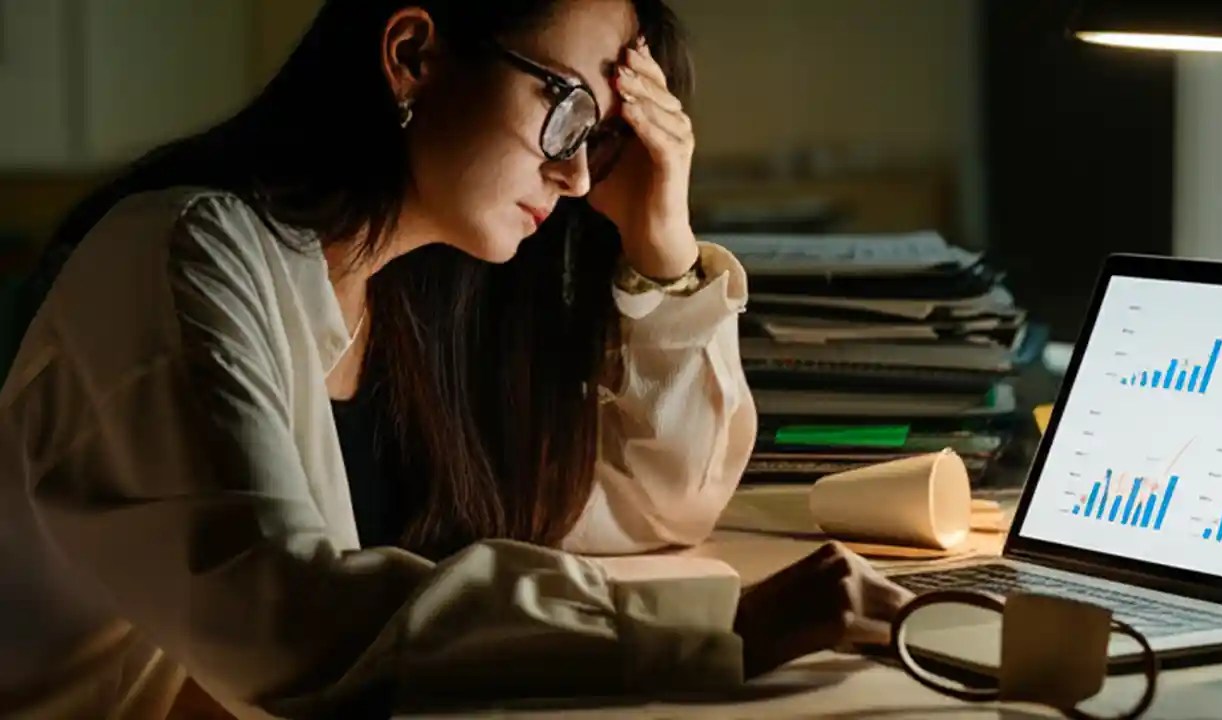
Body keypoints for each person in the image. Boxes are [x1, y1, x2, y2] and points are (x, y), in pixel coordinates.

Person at [0, 0, 912, 717]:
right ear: (414, 56)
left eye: (602, 136)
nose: (580, 174)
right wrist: (730, 625)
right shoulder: (185, 253)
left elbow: (653, 506)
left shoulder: (424, 298)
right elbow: (287, 619)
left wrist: (661, 245)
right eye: (567, 112)